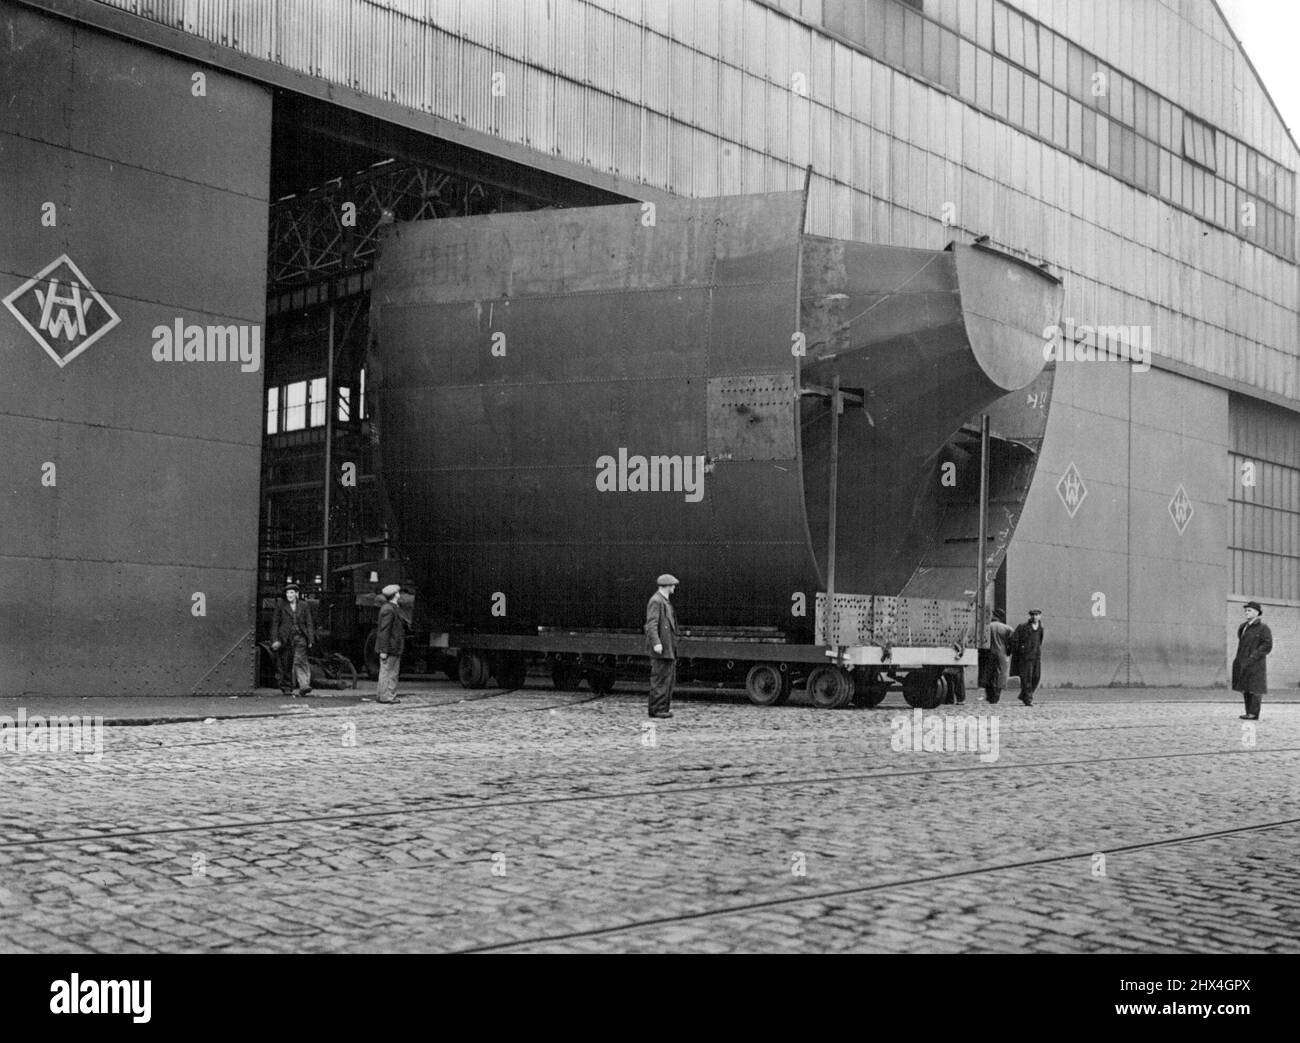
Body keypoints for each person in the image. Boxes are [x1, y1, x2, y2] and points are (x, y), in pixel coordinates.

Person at [271, 581, 315, 697]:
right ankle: (287, 687)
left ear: (296, 594)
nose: (289, 595)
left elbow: (309, 623)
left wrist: (310, 639)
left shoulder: (304, 605)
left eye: (291, 593)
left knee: (298, 660)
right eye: (287, 593)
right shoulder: (280, 605)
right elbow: (275, 623)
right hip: (285, 638)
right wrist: (274, 639)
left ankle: (304, 685)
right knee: (286, 663)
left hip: (300, 637)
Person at [644, 573, 680, 719]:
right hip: (661, 648)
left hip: (668, 647)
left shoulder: (664, 601)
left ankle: (663, 708)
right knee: (660, 679)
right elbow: (651, 625)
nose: (674, 588)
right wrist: (656, 643)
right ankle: (656, 710)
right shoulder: (656, 601)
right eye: (673, 585)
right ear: (668, 586)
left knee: (667, 679)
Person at [1232, 600, 1272, 721]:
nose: (1246, 613)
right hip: (1243, 662)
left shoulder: (1263, 628)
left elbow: (1267, 645)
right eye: (1245, 610)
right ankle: (1248, 712)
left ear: (1257, 612)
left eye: (1249, 610)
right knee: (1246, 687)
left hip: (1256, 664)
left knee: (1255, 688)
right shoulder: (1243, 627)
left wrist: (1254, 656)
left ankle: (1253, 713)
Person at [375, 583, 406, 705]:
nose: (399, 594)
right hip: (391, 647)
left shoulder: (392, 608)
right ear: (395, 595)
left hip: (393, 647)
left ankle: (386, 695)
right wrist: (383, 650)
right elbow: (384, 631)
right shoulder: (389, 609)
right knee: (388, 672)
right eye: (398, 593)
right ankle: (386, 696)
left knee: (390, 672)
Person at [979, 608, 1014, 704]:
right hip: (1001, 654)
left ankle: (989, 696)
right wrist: (1008, 652)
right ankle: (996, 696)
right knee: (999, 676)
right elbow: (1013, 642)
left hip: (987, 653)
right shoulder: (1007, 628)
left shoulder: (986, 627)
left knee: (988, 674)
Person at [1011, 609, 1045, 706]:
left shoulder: (1041, 628)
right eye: (1033, 615)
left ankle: (1024, 694)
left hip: (1036, 657)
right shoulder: (1023, 627)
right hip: (1025, 657)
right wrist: (1020, 650)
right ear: (1030, 616)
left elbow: (1040, 641)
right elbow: (1015, 639)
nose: (1035, 616)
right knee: (1027, 678)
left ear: (1040, 616)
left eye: (1037, 614)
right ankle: (1028, 699)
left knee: (1036, 677)